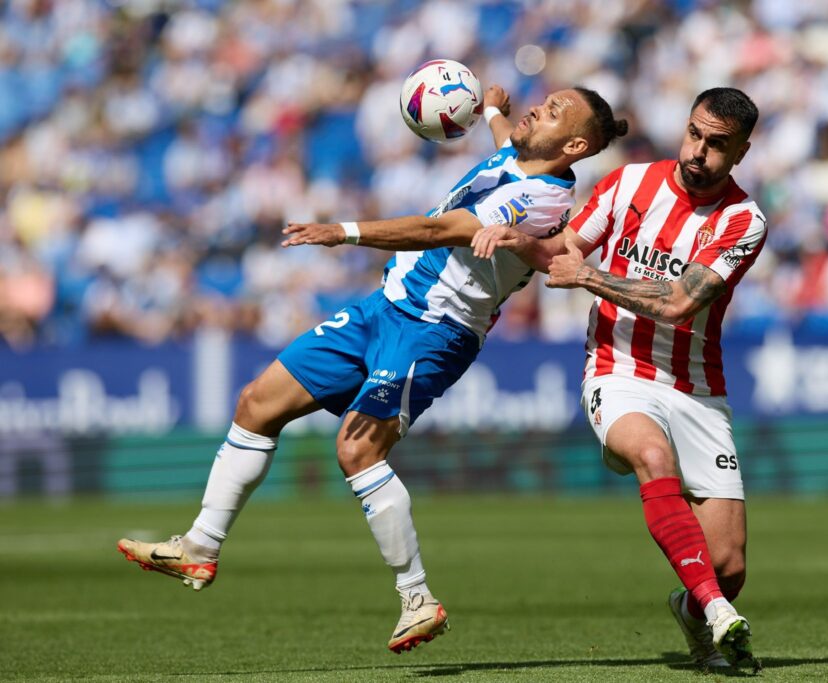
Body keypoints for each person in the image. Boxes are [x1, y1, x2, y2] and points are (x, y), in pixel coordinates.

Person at [117, 83, 627, 653]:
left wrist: (345, 232)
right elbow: (510, 137)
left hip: (434, 331)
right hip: (380, 308)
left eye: (554, 110)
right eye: (544, 100)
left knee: (357, 450)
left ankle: (417, 599)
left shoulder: (543, 201)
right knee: (256, 403)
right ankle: (200, 547)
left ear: (577, 145)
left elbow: (440, 230)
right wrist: (491, 111)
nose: (539, 108)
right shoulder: (519, 151)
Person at [472, 87, 763, 669]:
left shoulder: (743, 221)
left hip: (697, 389)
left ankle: (696, 603)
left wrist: (589, 278)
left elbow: (680, 302)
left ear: (741, 153)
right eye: (694, 135)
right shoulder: (628, 183)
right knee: (652, 456)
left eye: (717, 145)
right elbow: (565, 249)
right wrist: (522, 240)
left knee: (728, 566)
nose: (698, 152)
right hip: (617, 368)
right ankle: (717, 614)